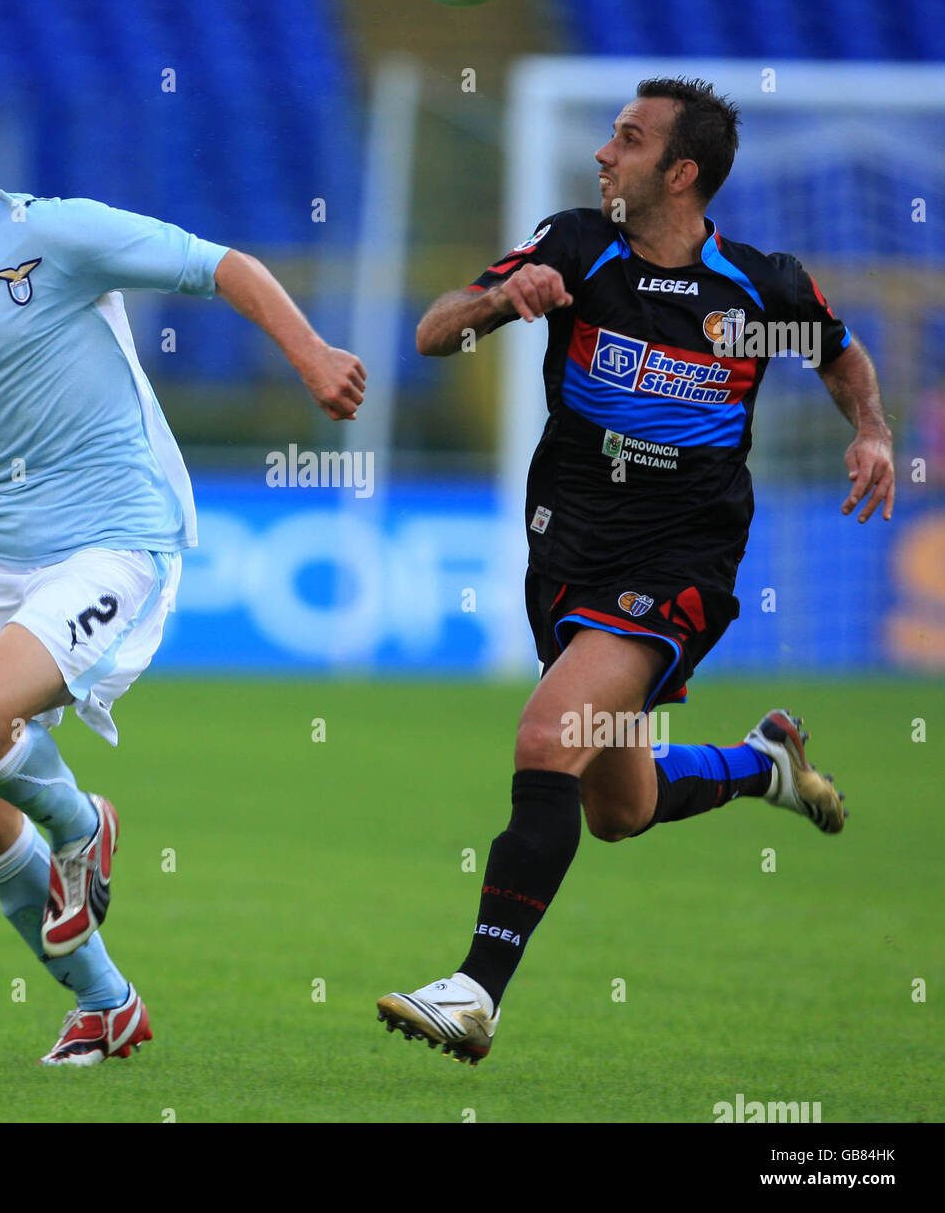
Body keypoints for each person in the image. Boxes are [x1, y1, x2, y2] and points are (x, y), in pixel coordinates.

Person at [0, 49, 365, 1065]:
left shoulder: (51, 232)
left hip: (117, 532)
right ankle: (106, 1005)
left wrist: (312, 353)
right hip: (6, 547)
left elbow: (220, 263)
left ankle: (81, 825)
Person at [377, 76, 894, 1064]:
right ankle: (761, 765)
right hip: (568, 553)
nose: (604, 153)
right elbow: (433, 331)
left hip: (682, 559)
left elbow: (840, 354)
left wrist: (870, 432)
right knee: (617, 807)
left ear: (681, 171)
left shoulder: (758, 290)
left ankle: (476, 992)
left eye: (628, 139)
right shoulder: (577, 245)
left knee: (546, 733)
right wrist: (500, 301)